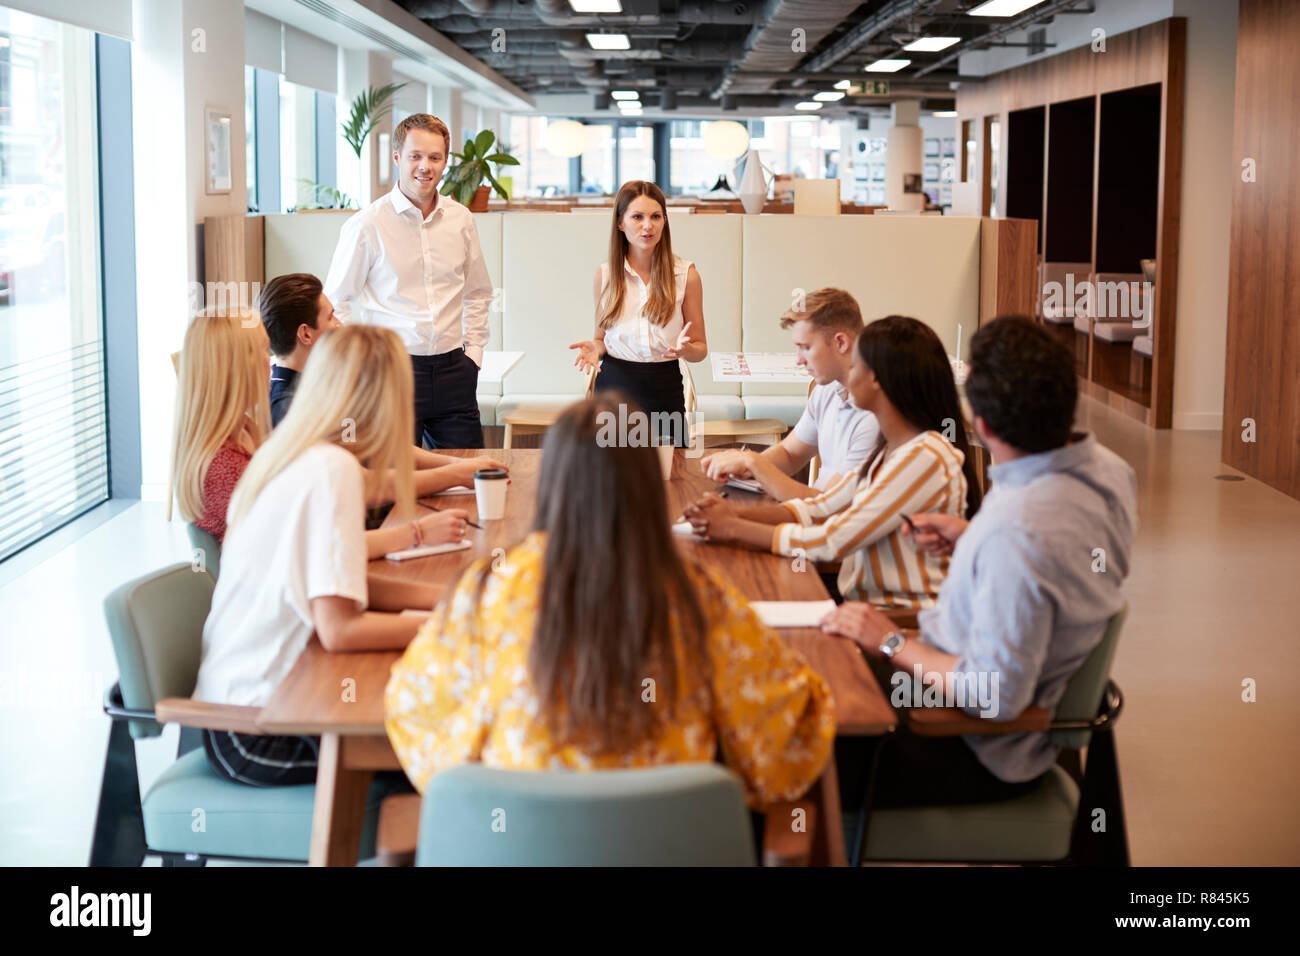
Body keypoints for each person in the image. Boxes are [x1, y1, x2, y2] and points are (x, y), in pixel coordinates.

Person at [384, 392, 834, 809]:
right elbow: (786, 744)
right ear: (648, 486)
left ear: (551, 482)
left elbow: (417, 720)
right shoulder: (699, 598)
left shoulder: (489, 592)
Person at [821, 316, 1137, 810]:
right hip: (974, 693)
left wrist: (887, 637)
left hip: (968, 745)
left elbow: (994, 696)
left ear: (982, 428)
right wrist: (974, 540)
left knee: (783, 760)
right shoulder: (1109, 473)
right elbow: (1058, 557)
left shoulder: (1013, 532)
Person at [193, 325, 470, 786]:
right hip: (257, 729)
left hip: (243, 711)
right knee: (450, 761)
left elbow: (340, 583)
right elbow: (339, 628)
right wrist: (450, 625)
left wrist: (446, 600)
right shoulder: (330, 470)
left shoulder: (296, 452)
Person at [685, 316, 982, 610]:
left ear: (877, 379)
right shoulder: (889, 451)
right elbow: (825, 507)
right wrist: (731, 513)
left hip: (900, 621)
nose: (847, 376)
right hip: (864, 608)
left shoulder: (925, 457)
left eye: (855, 366)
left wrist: (733, 527)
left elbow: (834, 539)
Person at [324, 113, 491, 449]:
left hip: (454, 371)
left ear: (445, 161)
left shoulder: (460, 219)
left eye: (434, 157)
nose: (425, 167)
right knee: (395, 485)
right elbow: (335, 302)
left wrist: (472, 354)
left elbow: (479, 292)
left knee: (465, 477)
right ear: (398, 157)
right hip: (391, 371)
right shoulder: (367, 225)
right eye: (415, 156)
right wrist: (363, 363)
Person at [258, 272, 508, 493]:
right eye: (331, 317)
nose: (339, 324)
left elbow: (379, 446)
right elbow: (359, 485)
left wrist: (461, 465)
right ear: (305, 333)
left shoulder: (318, 386)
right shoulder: (288, 408)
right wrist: (454, 475)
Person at [701, 287, 878, 500]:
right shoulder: (826, 390)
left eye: (805, 347)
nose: (798, 360)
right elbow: (790, 453)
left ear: (841, 342)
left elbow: (830, 505)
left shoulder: (875, 414)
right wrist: (746, 468)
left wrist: (751, 461)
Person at [569, 181, 707, 448]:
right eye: (637, 217)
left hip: (665, 387)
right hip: (614, 389)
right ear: (620, 223)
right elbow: (601, 338)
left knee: (672, 478)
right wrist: (596, 348)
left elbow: (700, 349)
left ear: (665, 221)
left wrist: (684, 351)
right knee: (612, 481)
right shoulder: (606, 275)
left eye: (656, 216)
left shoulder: (686, 275)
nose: (648, 226)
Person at [169, 309, 270, 545]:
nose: (270, 359)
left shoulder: (243, 430)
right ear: (239, 366)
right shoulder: (226, 467)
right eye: (264, 349)